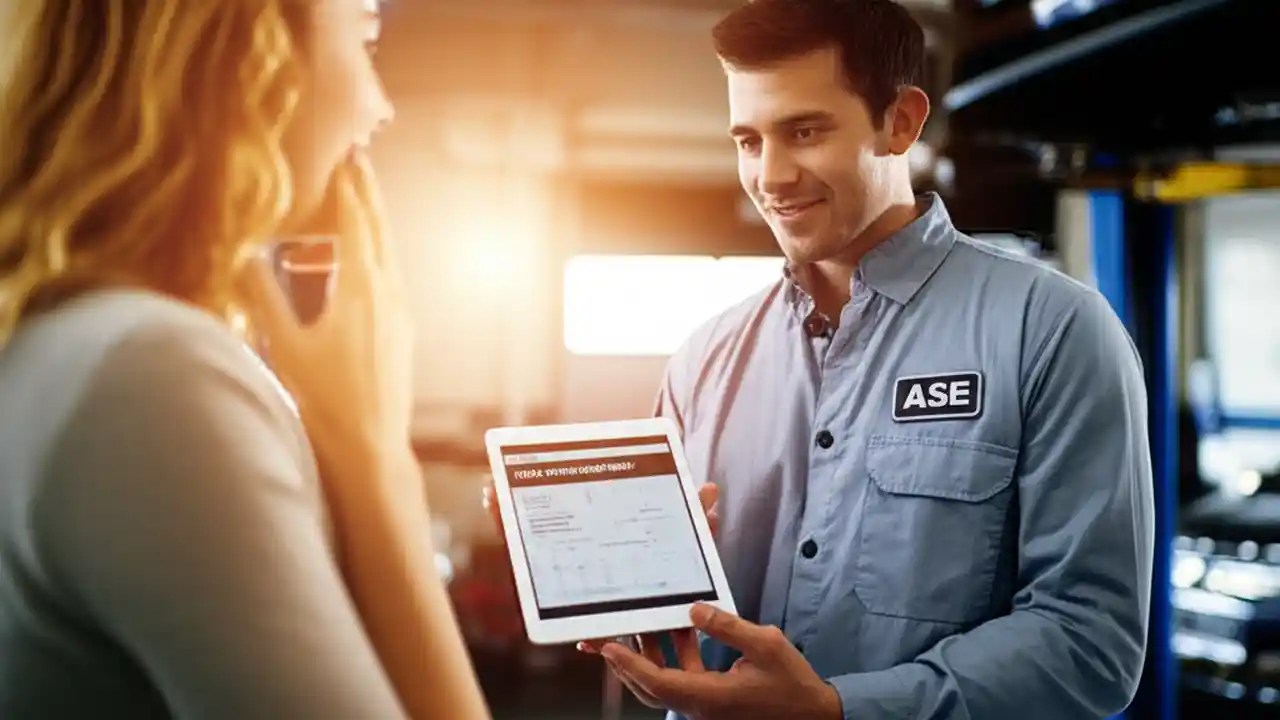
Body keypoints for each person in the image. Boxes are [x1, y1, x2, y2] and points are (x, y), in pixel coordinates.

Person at [586, 1, 1156, 719]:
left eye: (804, 131)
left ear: (902, 122)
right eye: (748, 140)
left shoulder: (1052, 332)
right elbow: (669, 621)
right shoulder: (703, 361)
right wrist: (587, 563)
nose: (771, 176)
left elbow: (1089, 644)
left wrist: (838, 709)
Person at [0, 1, 489, 718]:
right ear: (253, 60)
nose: (380, 108)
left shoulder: (65, 343)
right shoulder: (154, 378)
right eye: (365, 41)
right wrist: (375, 459)